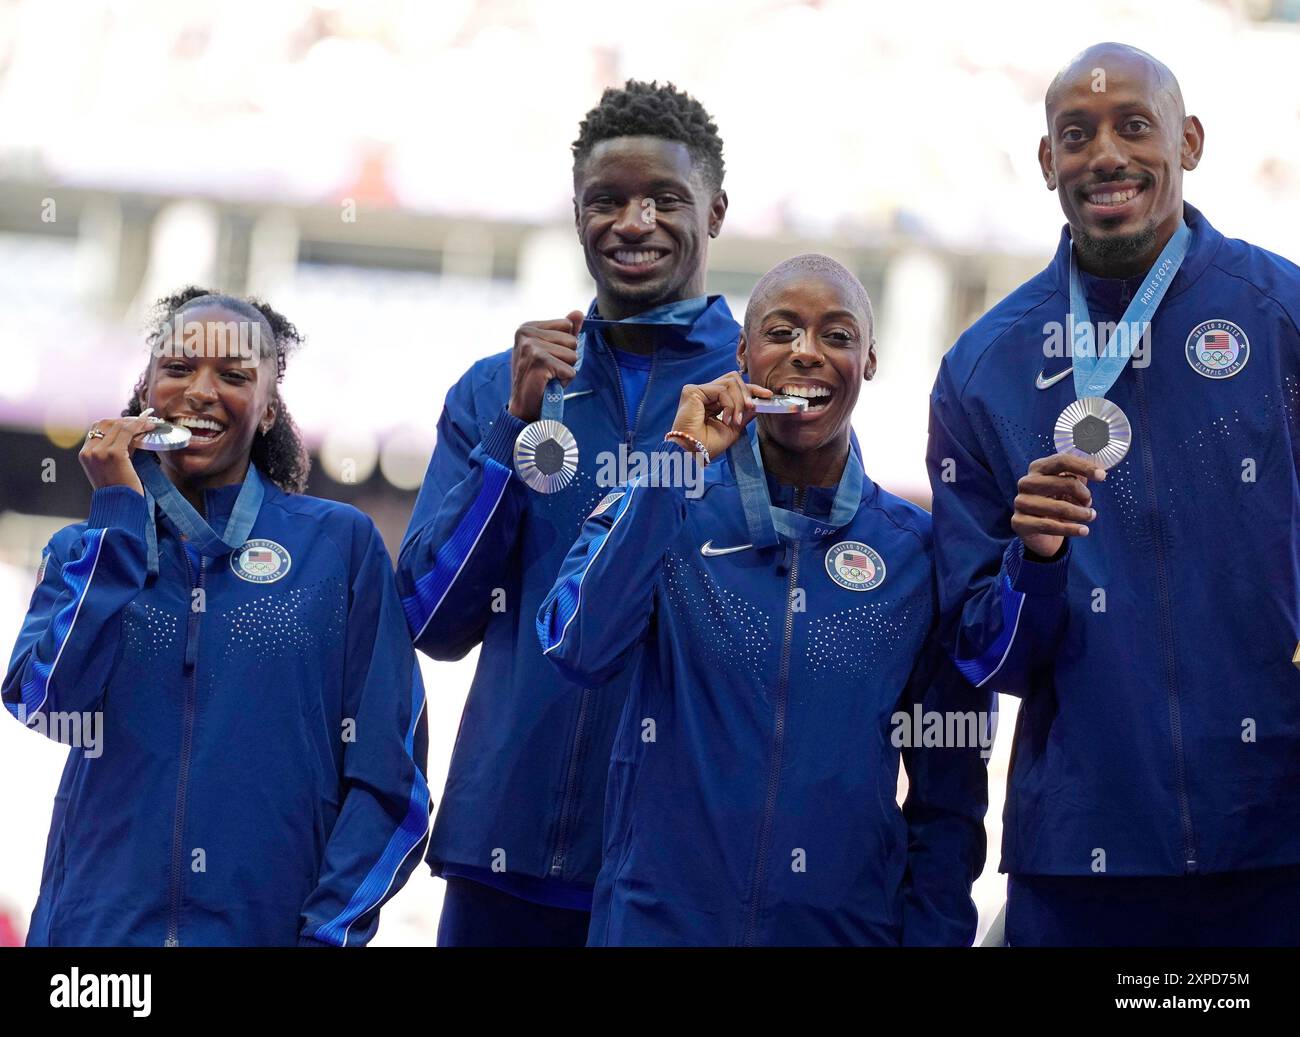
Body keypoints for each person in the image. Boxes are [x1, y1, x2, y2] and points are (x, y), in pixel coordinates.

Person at [928, 43, 1300, 946]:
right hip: (1085, 851)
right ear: (1048, 161)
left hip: (1277, 834)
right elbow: (982, 657)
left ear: (1190, 141)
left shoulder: (1281, 314)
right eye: (1076, 134)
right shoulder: (984, 368)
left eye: (1135, 126)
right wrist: (1036, 564)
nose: (1106, 155)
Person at [539, 255, 989, 945]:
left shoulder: (916, 554)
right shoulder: (665, 503)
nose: (807, 352)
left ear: (868, 360)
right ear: (744, 354)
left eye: (837, 336)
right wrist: (678, 462)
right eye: (782, 332)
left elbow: (949, 796)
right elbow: (577, 645)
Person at [398, 81, 744, 946]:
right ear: (577, 214)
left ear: (716, 211)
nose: (635, 223)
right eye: (608, 202)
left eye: (665, 199)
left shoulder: (756, 396)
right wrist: (513, 436)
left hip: (677, 872)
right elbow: (433, 620)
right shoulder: (498, 388)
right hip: (501, 855)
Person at [3, 288, 429, 946]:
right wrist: (118, 521)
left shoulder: (338, 546)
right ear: (146, 388)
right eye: (178, 368)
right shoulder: (83, 551)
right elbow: (41, 699)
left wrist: (329, 932)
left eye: (233, 376)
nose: (202, 390)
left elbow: (390, 775)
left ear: (266, 411)